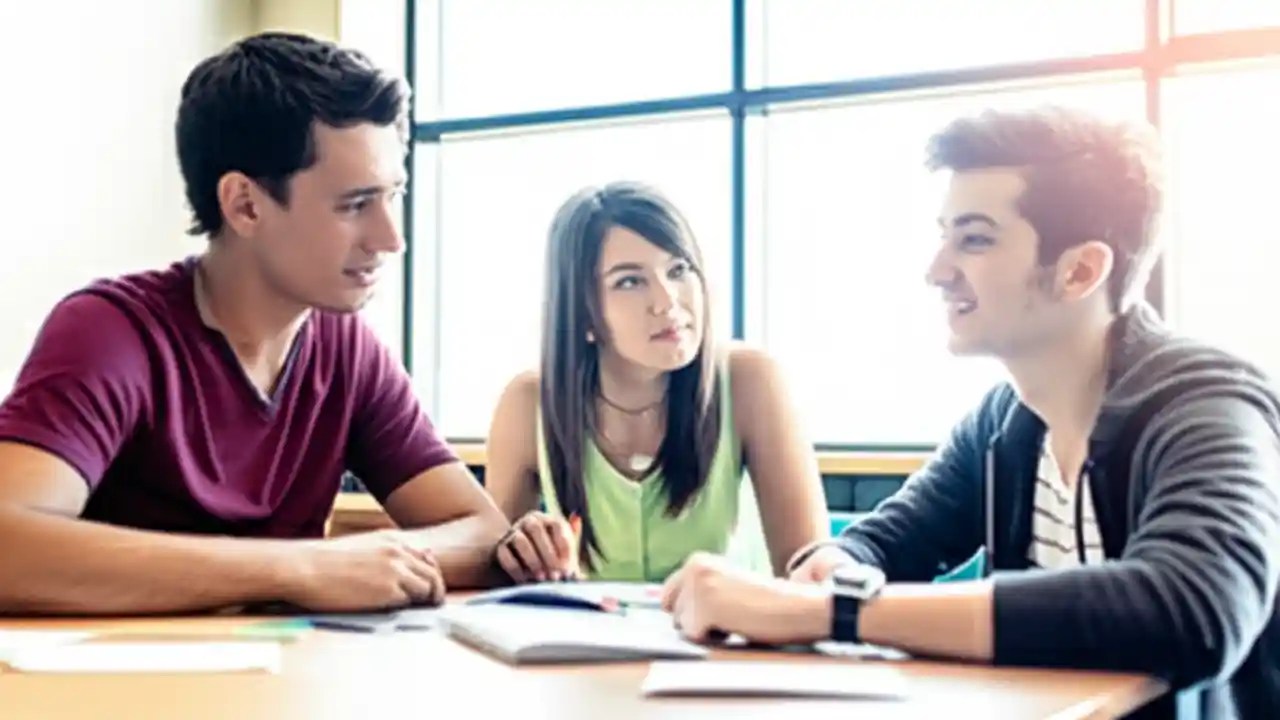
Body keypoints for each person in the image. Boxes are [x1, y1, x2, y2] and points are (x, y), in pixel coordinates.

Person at [660, 107, 1279, 719]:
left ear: (1080, 271)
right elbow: (889, 540)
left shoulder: (1209, 405)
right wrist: (832, 568)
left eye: (975, 239)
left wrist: (837, 613)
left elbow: (1194, 608)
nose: (937, 271)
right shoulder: (1005, 422)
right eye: (944, 235)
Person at [0, 32, 509, 615]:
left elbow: (479, 532)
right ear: (245, 205)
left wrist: (357, 562)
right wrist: (299, 567)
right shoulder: (112, 332)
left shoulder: (347, 350)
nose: (392, 238)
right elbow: (5, 548)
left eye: (394, 195)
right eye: (354, 204)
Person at [484, 182, 829, 583]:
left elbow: (809, 573)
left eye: (679, 270)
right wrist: (520, 550)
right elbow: (490, 571)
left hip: (727, 637)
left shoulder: (749, 380)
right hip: (588, 640)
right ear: (583, 314)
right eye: (630, 281)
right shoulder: (529, 403)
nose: (668, 301)